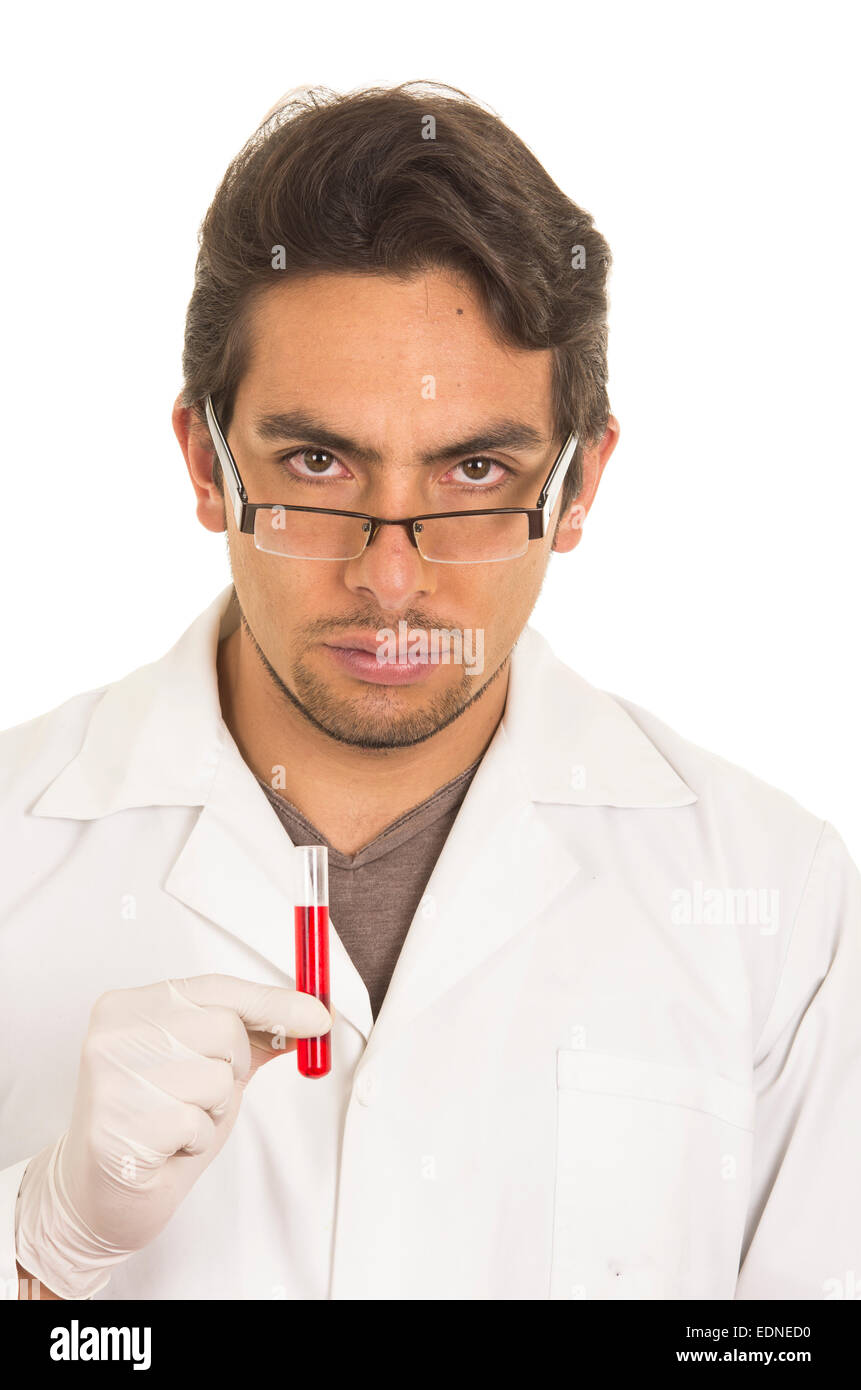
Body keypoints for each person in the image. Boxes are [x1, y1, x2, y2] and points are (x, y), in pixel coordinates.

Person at [2, 81, 859, 1303]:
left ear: (578, 486)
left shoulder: (779, 909)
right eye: (316, 462)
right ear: (206, 464)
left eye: (473, 469)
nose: (391, 577)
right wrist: (40, 1247)